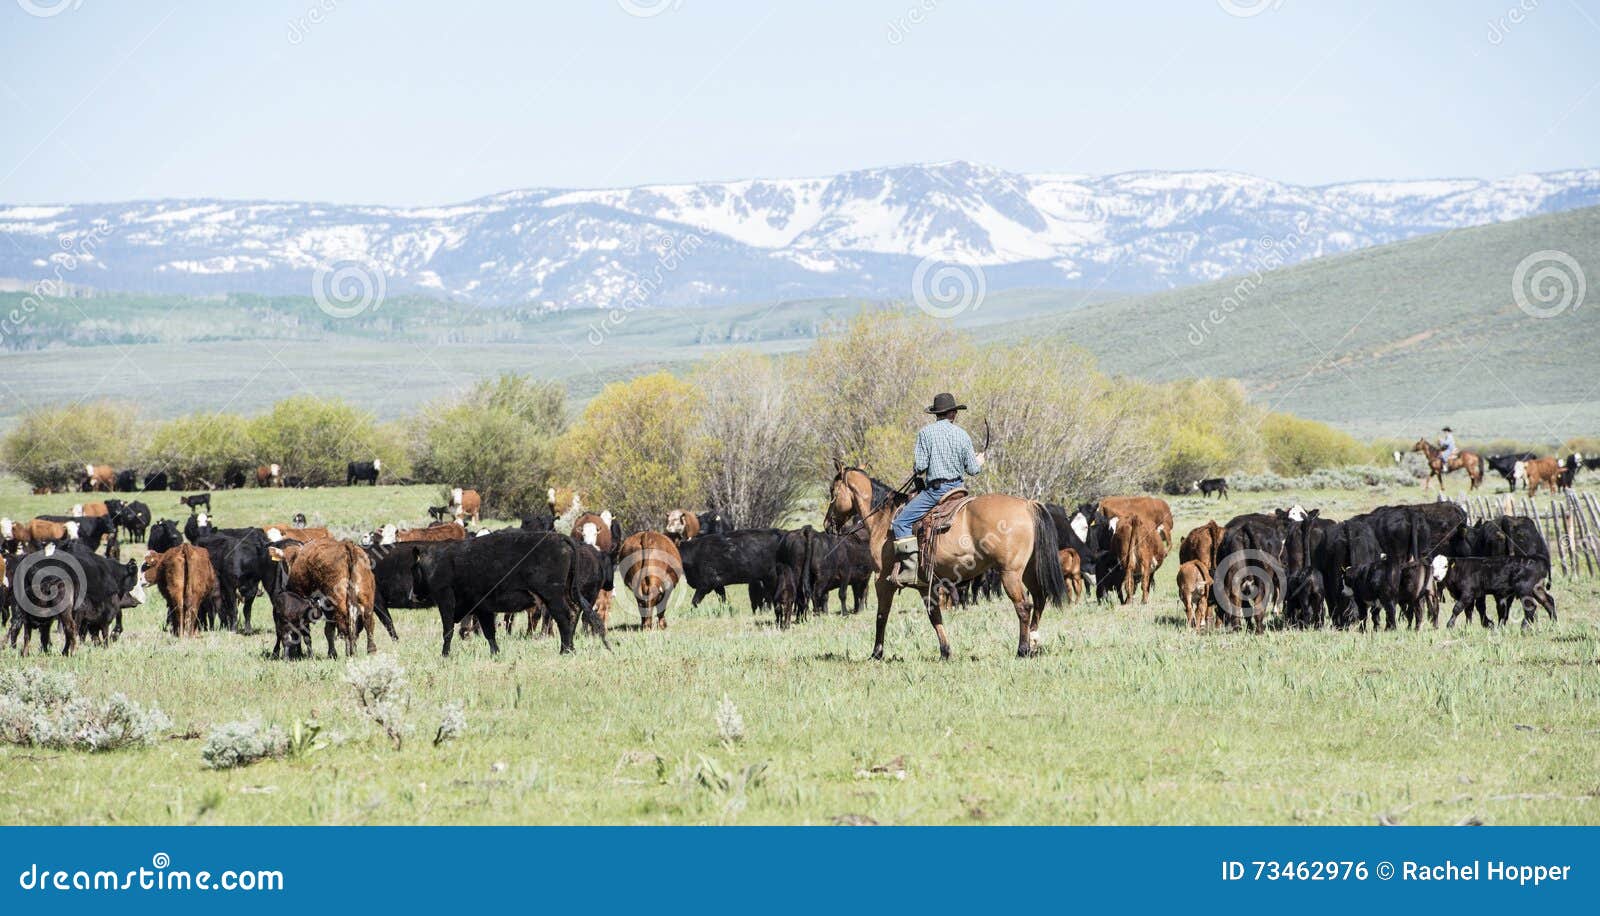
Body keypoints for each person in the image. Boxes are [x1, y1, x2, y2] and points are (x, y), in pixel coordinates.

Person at [890, 392, 985, 586]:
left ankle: (910, 571)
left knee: (900, 522)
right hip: (959, 491)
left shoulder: (926, 433)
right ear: (953, 413)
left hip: (937, 492)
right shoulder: (962, 434)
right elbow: (973, 470)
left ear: (936, 413)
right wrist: (979, 460)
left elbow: (920, 466)